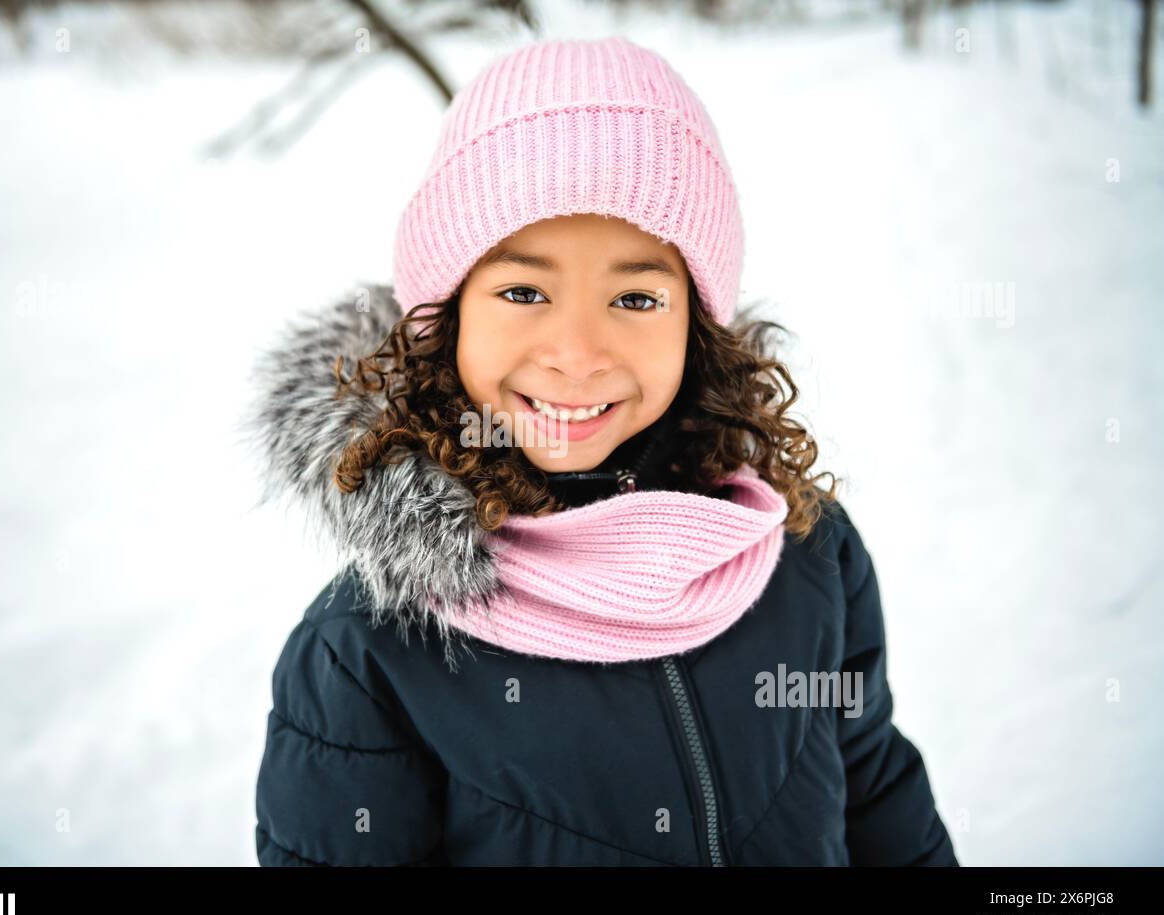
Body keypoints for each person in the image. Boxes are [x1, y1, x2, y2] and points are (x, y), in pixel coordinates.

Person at [247, 36, 958, 866]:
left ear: (697, 325)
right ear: (445, 319)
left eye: (635, 296)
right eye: (522, 291)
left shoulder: (806, 551)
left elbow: (872, 786)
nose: (578, 353)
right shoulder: (372, 650)